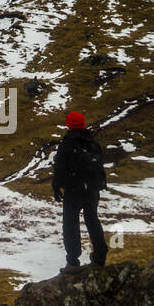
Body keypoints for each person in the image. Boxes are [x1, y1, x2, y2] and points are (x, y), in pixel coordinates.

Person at [51, 111, 107, 271]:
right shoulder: (93, 143)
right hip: (92, 190)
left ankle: (73, 262)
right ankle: (100, 257)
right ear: (83, 123)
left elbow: (60, 169)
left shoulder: (67, 145)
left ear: (69, 124)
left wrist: (56, 188)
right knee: (92, 220)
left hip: (73, 190)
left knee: (70, 223)